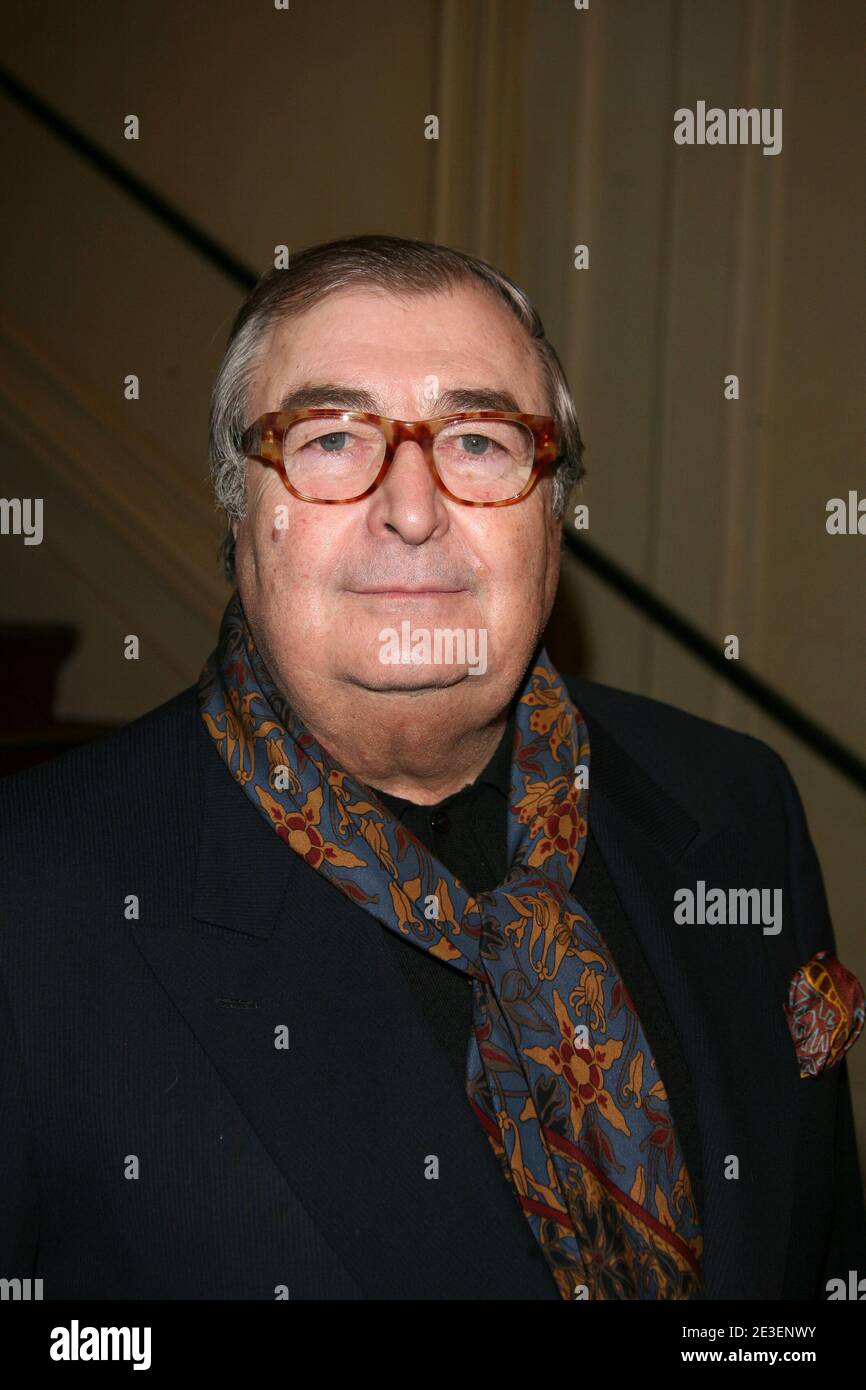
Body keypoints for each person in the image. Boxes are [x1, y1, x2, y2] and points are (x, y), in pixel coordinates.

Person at [1, 233, 863, 1301]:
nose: (410, 510)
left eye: (476, 440)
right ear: (237, 510)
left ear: (552, 509)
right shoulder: (34, 898)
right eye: (326, 439)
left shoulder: (736, 809)